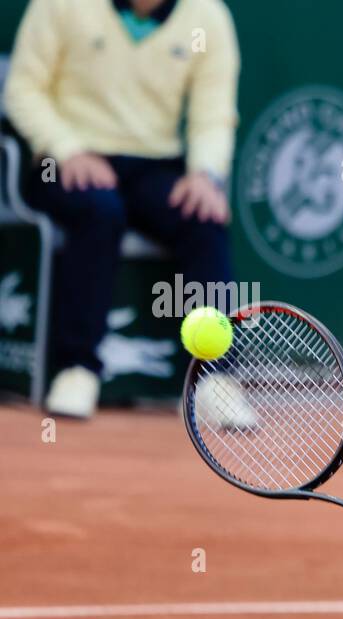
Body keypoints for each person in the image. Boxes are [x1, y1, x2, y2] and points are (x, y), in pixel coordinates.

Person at [3, 0, 244, 419]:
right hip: (60, 160)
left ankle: (215, 378)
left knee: (203, 218)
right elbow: (23, 89)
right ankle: (77, 369)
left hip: (153, 163)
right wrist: (67, 149)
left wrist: (206, 174)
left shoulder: (208, 17)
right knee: (99, 212)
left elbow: (213, 114)